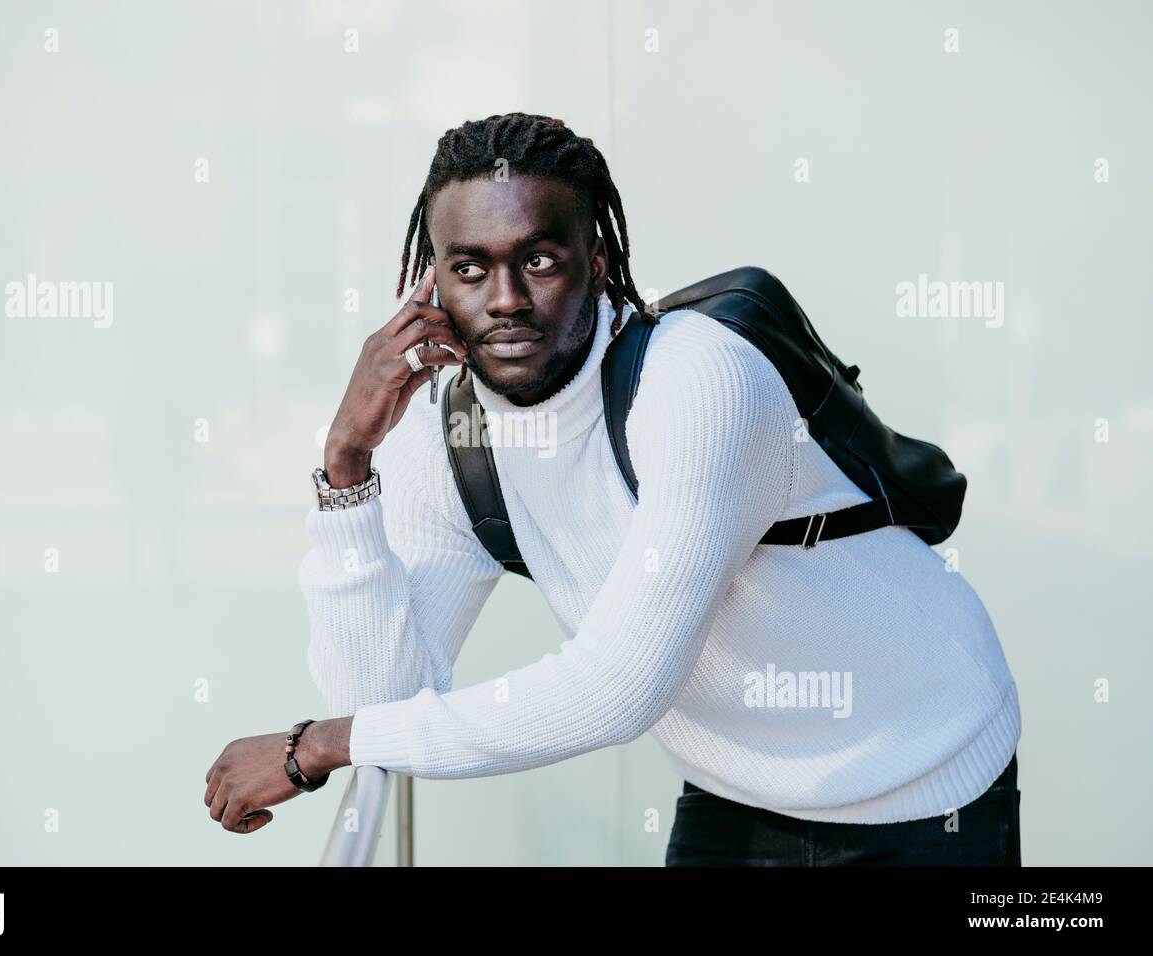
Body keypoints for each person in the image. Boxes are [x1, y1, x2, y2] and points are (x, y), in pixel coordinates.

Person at [203, 112, 1022, 866]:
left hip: (930, 776)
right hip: (738, 793)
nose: (507, 301)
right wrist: (347, 464)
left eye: (539, 259)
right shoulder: (443, 431)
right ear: (429, 287)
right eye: (470, 268)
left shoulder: (697, 378)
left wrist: (314, 747)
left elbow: (617, 690)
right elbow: (377, 705)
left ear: (596, 263)